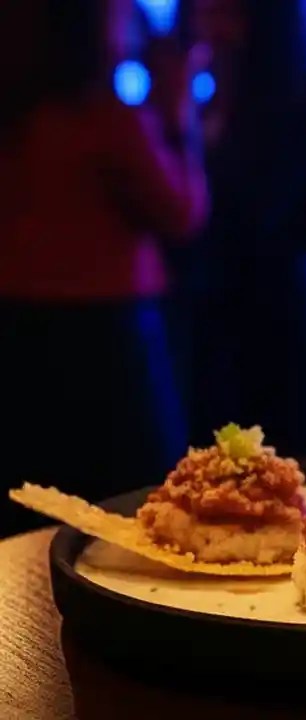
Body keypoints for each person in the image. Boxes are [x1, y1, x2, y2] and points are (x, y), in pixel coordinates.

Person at [0, 0, 205, 512]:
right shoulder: (106, 116)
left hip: (17, 321)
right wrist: (178, 118)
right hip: (108, 330)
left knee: (33, 496)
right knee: (130, 495)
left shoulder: (18, 113)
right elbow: (182, 213)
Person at [187, 0, 306, 456]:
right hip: (232, 298)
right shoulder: (226, 91)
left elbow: (260, 211)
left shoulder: (299, 101)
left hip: (285, 302)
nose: (207, 20)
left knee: (293, 451)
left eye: (222, 9)